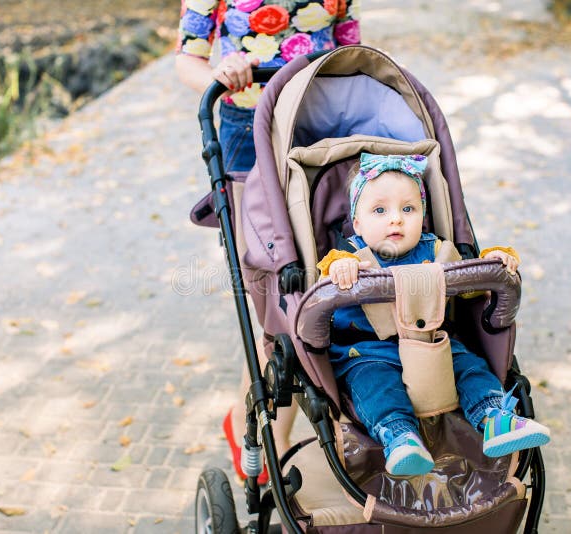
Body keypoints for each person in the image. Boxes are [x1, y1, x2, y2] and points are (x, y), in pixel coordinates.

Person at [175, 0, 361, 484]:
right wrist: (221, 72)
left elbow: (349, 48)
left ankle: (290, 430)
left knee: (326, 294)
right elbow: (186, 59)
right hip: (244, 127)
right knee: (274, 299)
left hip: (323, 128)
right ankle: (263, 437)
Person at [316, 153, 551, 476]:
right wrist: (340, 271)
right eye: (380, 210)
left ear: (423, 216)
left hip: (433, 344)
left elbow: (470, 286)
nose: (396, 219)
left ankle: (495, 417)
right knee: (374, 385)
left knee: (470, 365)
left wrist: (493, 262)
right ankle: (400, 438)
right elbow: (323, 282)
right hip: (369, 351)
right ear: (357, 222)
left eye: (408, 209)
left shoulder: (436, 250)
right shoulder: (348, 257)